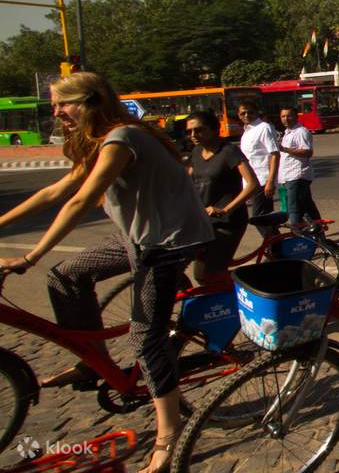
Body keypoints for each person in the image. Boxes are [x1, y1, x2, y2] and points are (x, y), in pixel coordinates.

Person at [0, 73, 214, 473]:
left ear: (92, 101)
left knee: (143, 338)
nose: (56, 112)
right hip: (135, 238)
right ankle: (92, 361)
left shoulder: (123, 138)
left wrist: (31, 256)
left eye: (62, 103)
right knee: (64, 276)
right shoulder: (101, 141)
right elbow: (54, 192)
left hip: (168, 243)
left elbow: (80, 200)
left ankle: (169, 436)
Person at [186, 108, 258, 283]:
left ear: (213, 129)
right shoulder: (196, 152)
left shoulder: (228, 151)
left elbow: (253, 184)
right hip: (204, 221)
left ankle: (239, 298)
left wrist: (225, 209)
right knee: (199, 273)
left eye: (199, 130)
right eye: (190, 131)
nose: (194, 135)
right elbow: (188, 181)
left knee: (212, 274)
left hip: (228, 222)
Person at [238, 100, 280, 238]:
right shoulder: (246, 132)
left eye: (250, 112)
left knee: (259, 218)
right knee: (264, 220)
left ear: (257, 113)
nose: (246, 115)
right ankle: (276, 248)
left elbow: (274, 154)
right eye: (243, 113)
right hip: (252, 182)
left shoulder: (264, 128)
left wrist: (270, 181)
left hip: (262, 181)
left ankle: (276, 249)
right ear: (238, 115)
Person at [278, 106, 319, 230]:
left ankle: (296, 235)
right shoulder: (287, 133)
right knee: (307, 206)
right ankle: (318, 233)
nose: (286, 119)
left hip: (297, 175)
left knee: (294, 207)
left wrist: (285, 149)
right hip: (288, 175)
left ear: (296, 116)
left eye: (289, 116)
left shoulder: (301, 131)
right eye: (283, 116)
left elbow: (307, 152)